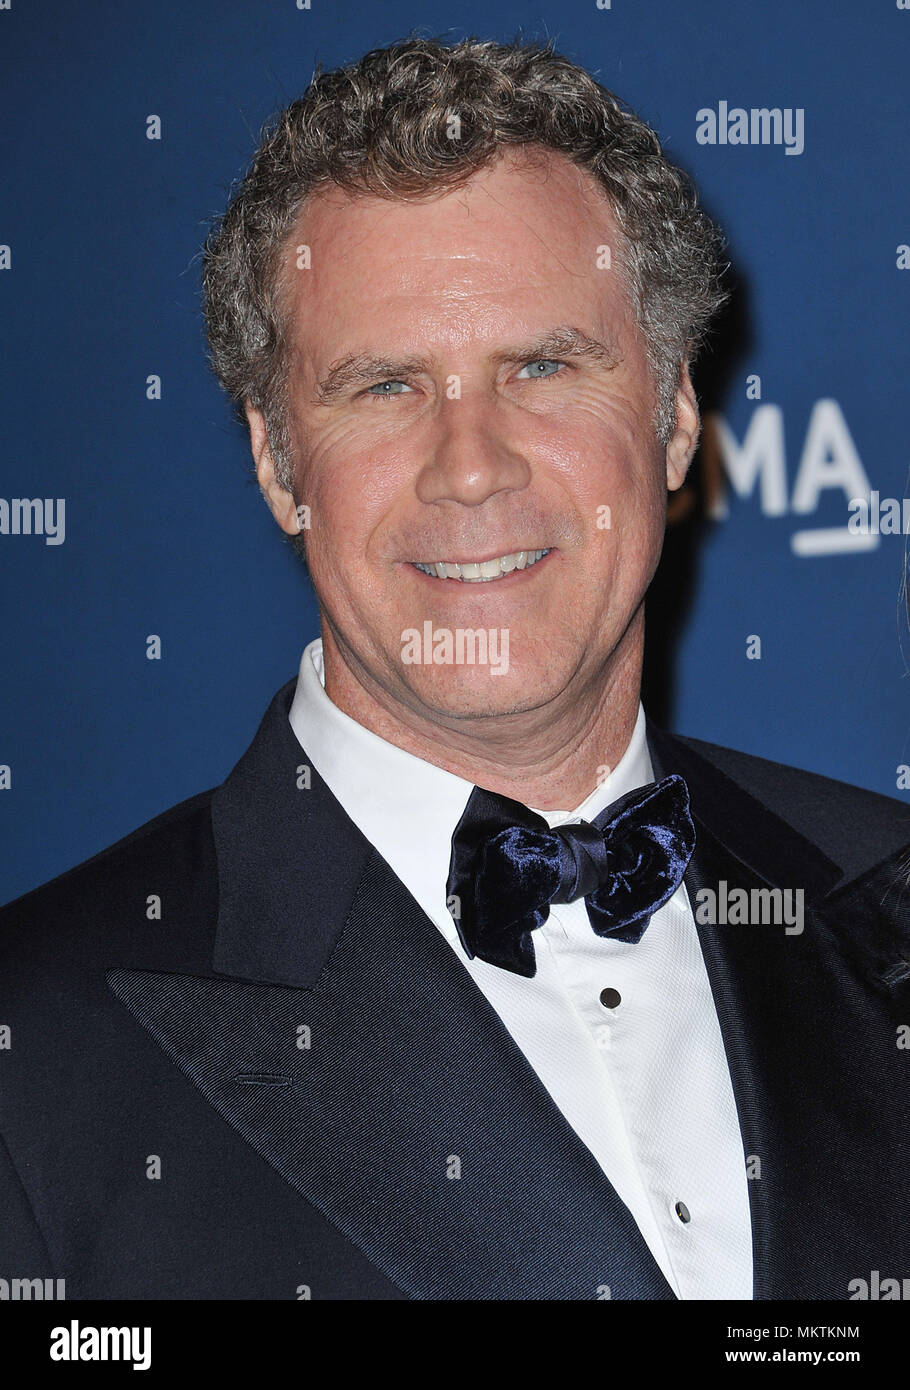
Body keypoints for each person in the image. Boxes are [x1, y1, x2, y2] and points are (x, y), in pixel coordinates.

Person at [2, 35, 910, 1302]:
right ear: (275, 461)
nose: (469, 464)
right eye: (382, 386)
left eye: (541, 366)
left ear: (672, 418)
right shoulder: (35, 1049)